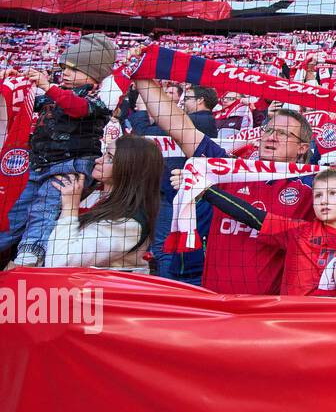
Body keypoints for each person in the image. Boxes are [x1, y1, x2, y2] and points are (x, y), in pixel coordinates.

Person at [133, 75, 316, 294]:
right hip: (213, 301)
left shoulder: (312, 190)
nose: (271, 137)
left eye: (284, 134)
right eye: (268, 130)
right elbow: (180, 128)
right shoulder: (230, 170)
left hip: (266, 311)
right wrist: (142, 76)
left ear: (303, 148)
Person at [1, 34, 118, 267]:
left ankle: (30, 256)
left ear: (94, 76)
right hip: (38, 164)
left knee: (44, 209)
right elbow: (21, 101)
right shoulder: (52, 94)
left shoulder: (100, 100)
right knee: (14, 207)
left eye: (74, 69)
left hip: (70, 166)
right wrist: (12, 83)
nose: (65, 73)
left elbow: (77, 108)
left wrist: (48, 86)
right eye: (64, 67)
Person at [192, 168, 336, 296]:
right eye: (318, 195)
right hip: (293, 324)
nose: (323, 200)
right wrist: (207, 191)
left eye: (333, 194)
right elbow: (253, 217)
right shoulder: (298, 232)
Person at [124, 83, 219, 283]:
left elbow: (144, 138)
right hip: (169, 190)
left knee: (164, 247)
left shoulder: (200, 121)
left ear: (200, 100)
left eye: (188, 97)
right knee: (160, 246)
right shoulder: (200, 120)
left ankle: (168, 289)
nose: (183, 101)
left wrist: (142, 111)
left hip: (175, 193)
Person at [45, 134, 163, 272]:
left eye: (110, 158)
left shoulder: (128, 222)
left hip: (107, 291)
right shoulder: (93, 193)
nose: (98, 160)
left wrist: (70, 207)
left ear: (129, 168)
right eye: (104, 153)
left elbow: (58, 262)